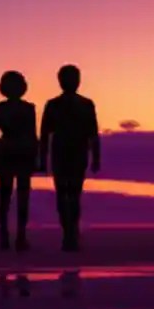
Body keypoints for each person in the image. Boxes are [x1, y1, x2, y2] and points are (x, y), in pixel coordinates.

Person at [38, 65, 100, 251]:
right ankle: (69, 231)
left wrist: (96, 157)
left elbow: (93, 133)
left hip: (75, 154)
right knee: (67, 194)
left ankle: (71, 231)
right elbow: (44, 134)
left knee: (71, 194)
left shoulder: (85, 104)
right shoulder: (55, 105)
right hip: (64, 154)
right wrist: (42, 158)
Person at [0, 71, 37, 251]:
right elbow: (32, 135)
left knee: (7, 197)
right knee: (15, 197)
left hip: (12, 153)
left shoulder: (0, 108)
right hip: (19, 153)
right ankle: (16, 236)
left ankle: (12, 236)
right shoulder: (27, 108)